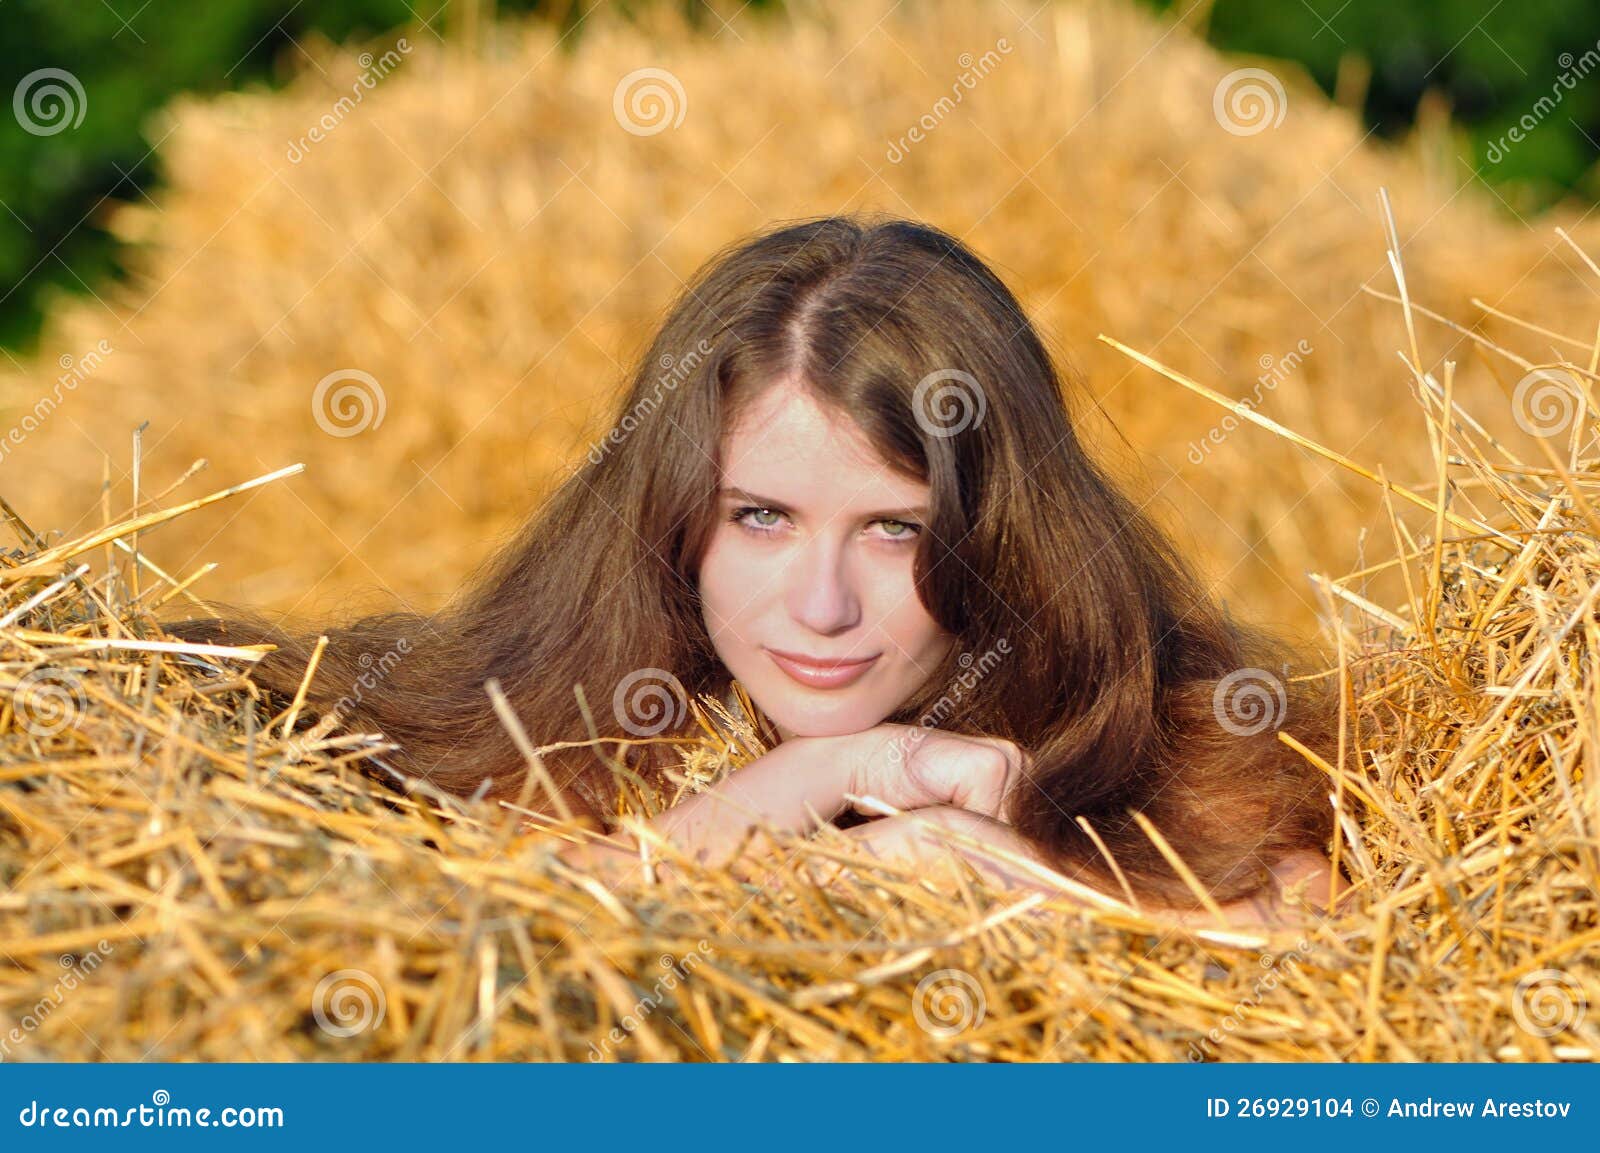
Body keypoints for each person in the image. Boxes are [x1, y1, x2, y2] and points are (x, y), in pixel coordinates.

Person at [166, 214, 1350, 927]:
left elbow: (1317, 946)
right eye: (762, 518)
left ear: (1001, 536)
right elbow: (445, 946)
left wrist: (1036, 895)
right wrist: (828, 778)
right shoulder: (515, 727)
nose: (821, 608)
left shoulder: (1163, 747)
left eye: (896, 529)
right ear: (675, 515)